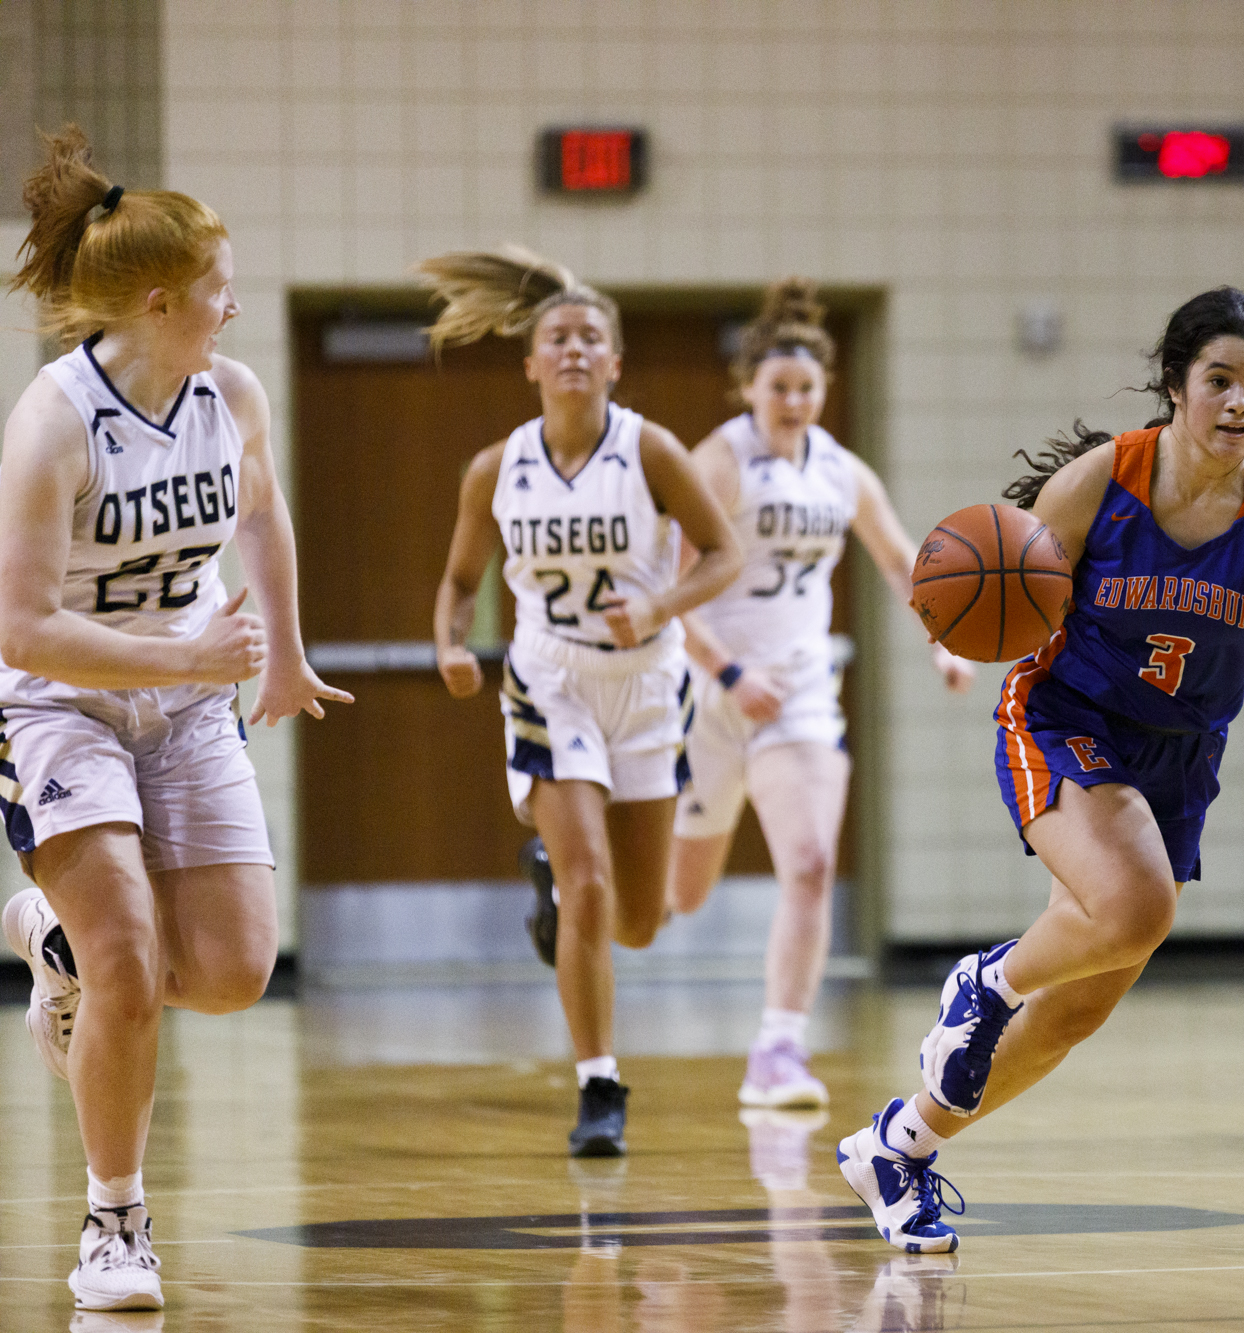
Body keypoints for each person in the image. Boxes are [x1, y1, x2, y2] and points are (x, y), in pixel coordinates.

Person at [833, 287, 1244, 1253]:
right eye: (1220, 381)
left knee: (1078, 1006)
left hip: (1179, 756)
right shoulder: (1102, 480)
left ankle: (898, 1145)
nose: (1240, 403)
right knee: (1139, 909)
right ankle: (984, 983)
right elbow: (1014, 601)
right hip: (1064, 717)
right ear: (1176, 385)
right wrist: (969, 628)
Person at [0, 125, 351, 1312]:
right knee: (128, 963)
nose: (235, 307)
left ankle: (46, 940)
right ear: (160, 303)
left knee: (239, 967)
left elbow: (263, 515)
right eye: (220, 289)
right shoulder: (52, 424)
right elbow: (22, 628)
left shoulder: (227, 392)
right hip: (58, 705)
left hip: (192, 698)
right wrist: (189, 648)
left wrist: (284, 655)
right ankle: (114, 1222)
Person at [426, 247, 742, 1157]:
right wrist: (451, 643)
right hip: (550, 677)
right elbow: (457, 579)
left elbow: (725, 555)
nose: (573, 349)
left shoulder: (649, 449)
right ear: (530, 363)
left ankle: (551, 884)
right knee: (592, 883)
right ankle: (599, 1085)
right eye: (557, 336)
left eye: (590, 337)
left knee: (639, 921)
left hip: (647, 683)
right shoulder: (495, 467)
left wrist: (658, 602)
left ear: (614, 362)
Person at [665, 279, 975, 1108]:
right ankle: (573, 877)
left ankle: (777, 1050)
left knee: (808, 863)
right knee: (679, 897)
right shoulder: (721, 460)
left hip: (799, 695)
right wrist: (729, 668)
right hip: (710, 690)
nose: (795, 402)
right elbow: (665, 581)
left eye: (808, 388)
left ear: (822, 391)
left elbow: (903, 561)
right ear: (749, 390)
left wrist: (943, 646)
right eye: (779, 388)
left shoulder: (842, 472)